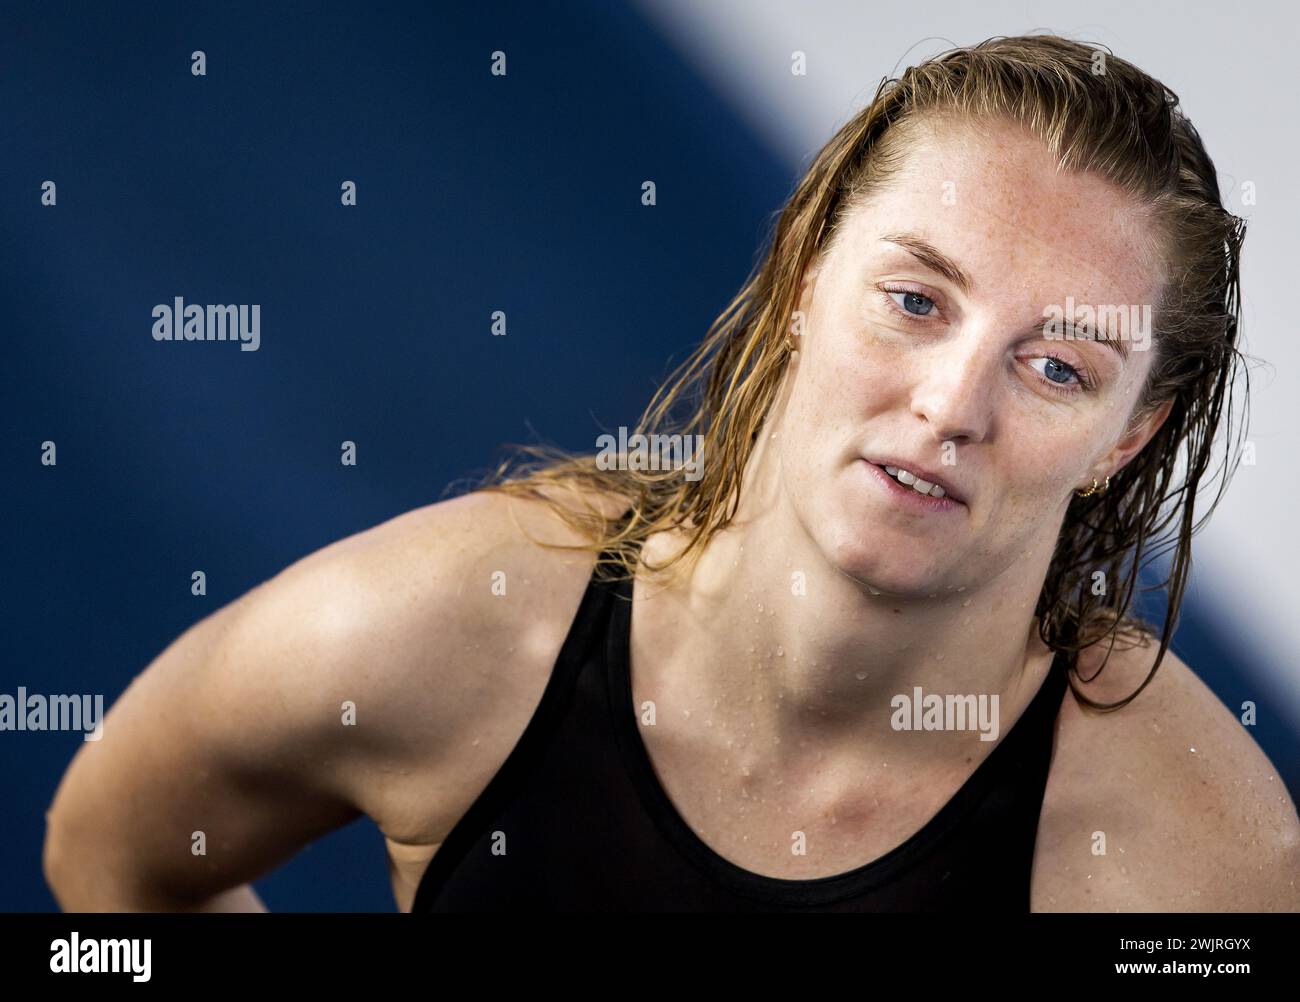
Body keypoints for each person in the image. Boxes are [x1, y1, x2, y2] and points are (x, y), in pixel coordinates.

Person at [44, 34, 1299, 912]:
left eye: (1058, 370)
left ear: (1129, 437)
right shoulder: (453, 629)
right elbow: (106, 863)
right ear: (806, 271)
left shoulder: (1174, 845)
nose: (947, 405)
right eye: (914, 301)